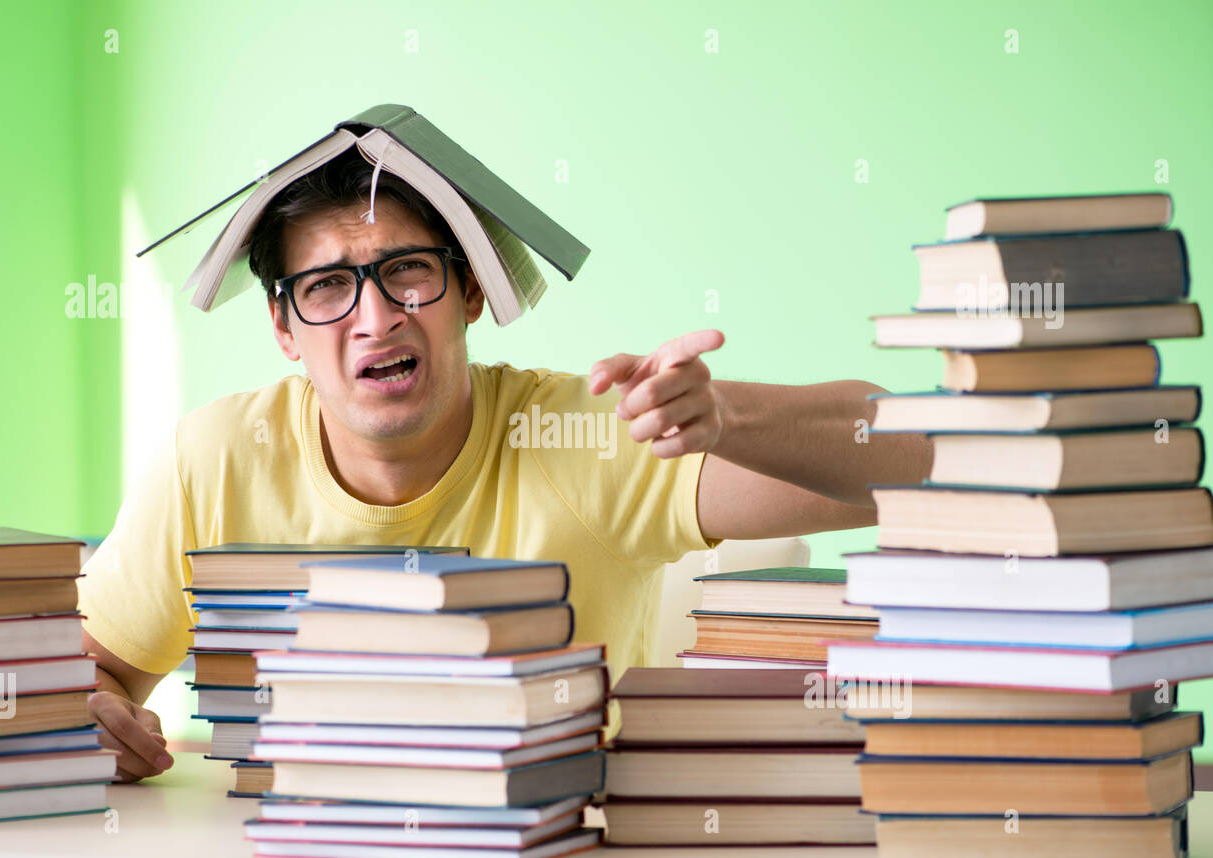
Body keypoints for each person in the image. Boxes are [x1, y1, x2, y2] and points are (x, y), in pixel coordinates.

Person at [79, 148, 931, 782]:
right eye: (328, 286)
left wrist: (730, 417)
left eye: (407, 272)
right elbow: (95, 667)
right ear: (283, 325)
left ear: (473, 289)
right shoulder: (214, 459)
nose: (375, 318)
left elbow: (919, 460)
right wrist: (91, 714)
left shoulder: (595, 435)